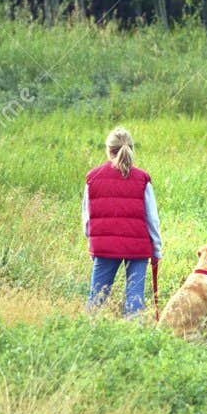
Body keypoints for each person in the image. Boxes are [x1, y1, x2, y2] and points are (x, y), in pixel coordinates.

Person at [83, 126, 162, 316]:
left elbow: (87, 218)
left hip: (105, 247)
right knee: (135, 298)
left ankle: (86, 334)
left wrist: (91, 243)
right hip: (138, 247)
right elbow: (152, 218)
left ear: (109, 150)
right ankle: (134, 338)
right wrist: (157, 248)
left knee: (96, 298)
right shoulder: (142, 179)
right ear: (131, 149)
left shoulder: (92, 178)